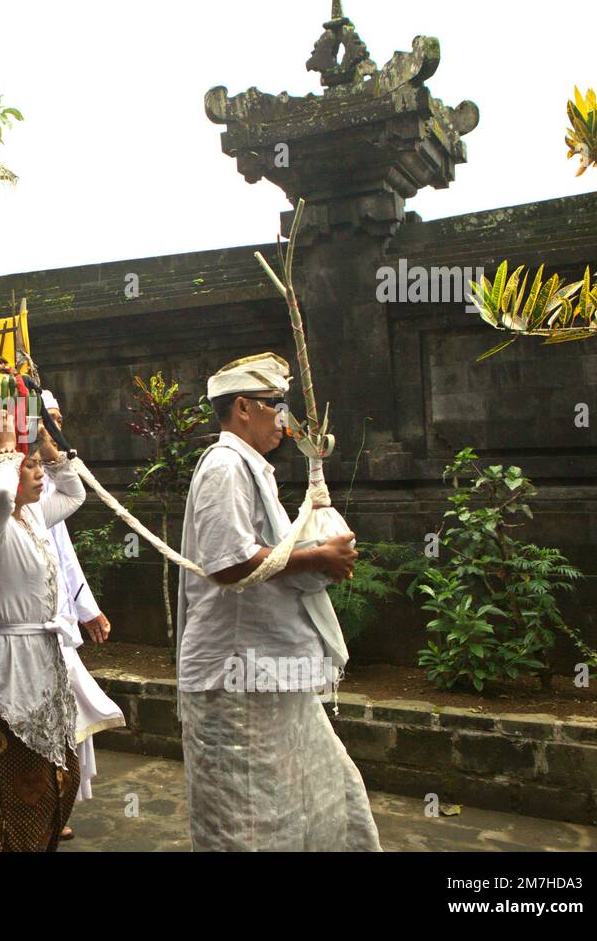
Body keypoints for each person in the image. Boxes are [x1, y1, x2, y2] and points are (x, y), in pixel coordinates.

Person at [175, 353, 380, 851]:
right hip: (236, 675)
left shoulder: (252, 468)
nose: (283, 420)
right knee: (247, 816)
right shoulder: (224, 466)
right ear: (243, 407)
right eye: (275, 406)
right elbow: (227, 563)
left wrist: (318, 550)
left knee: (316, 790)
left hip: (267, 667)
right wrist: (315, 558)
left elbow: (253, 552)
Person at [0, 389, 122, 842]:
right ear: (1, 472)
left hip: (47, 663)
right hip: (5, 668)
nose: (39, 473)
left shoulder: (32, 517)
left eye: (36, 465)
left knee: (61, 788)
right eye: (29, 467)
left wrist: (45, 443)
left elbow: (74, 491)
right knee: (29, 801)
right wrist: (7, 445)